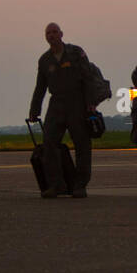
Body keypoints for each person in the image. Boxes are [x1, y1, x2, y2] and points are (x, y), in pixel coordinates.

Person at [29, 23, 98, 199]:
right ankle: (56, 184)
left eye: (54, 32)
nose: (51, 35)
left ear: (61, 34)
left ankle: (80, 185)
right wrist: (34, 110)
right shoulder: (44, 60)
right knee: (49, 143)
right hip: (56, 104)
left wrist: (90, 103)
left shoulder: (76, 53)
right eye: (48, 33)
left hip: (77, 103)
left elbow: (88, 78)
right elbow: (40, 87)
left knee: (82, 144)